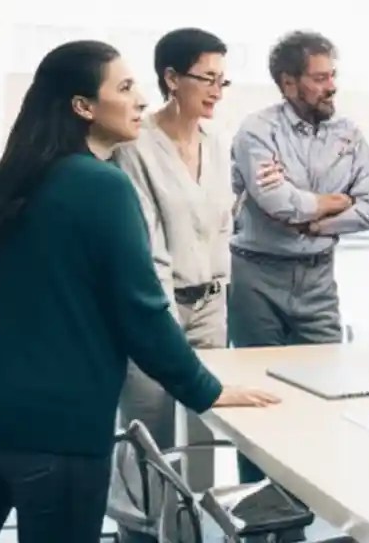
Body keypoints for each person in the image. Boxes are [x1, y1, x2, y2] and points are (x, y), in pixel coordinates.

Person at [0, 40, 277, 543]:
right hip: (56, 429)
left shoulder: (24, 176)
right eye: (125, 88)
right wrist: (209, 391)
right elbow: (141, 313)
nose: (142, 101)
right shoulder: (101, 185)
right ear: (83, 107)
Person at [112, 27, 280, 492]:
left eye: (222, 80)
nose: (216, 91)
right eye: (206, 78)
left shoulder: (215, 141)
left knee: (205, 435)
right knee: (151, 441)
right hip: (156, 309)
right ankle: (144, 533)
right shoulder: (135, 146)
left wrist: (255, 192)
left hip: (210, 307)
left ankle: (196, 530)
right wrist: (162, 323)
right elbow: (147, 246)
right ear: (171, 78)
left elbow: (217, 224)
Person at [229, 30, 369, 482]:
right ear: (288, 83)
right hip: (257, 275)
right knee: (259, 398)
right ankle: (257, 512)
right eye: (319, 78)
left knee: (323, 394)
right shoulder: (257, 130)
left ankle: (307, 507)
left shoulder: (350, 136)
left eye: (332, 75)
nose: (331, 85)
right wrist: (333, 201)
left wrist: (308, 218)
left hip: (318, 280)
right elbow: (276, 204)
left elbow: (368, 210)